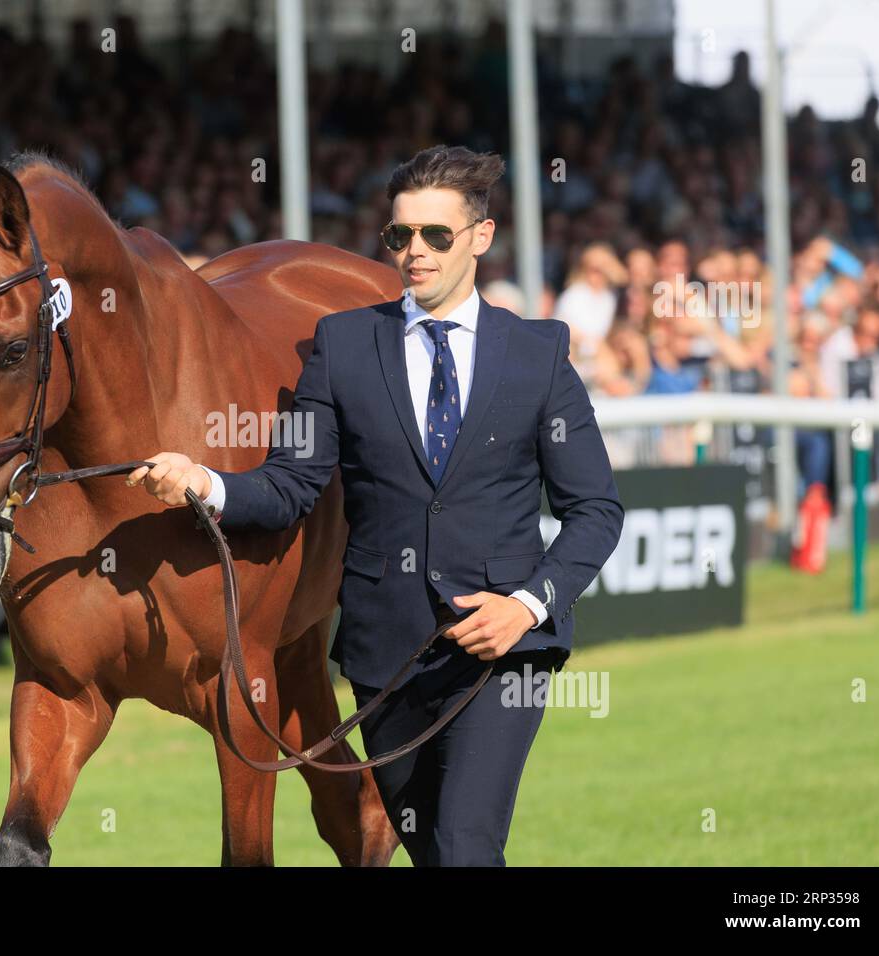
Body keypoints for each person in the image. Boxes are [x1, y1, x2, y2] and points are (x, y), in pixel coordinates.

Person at [128, 145, 624, 867]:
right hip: (384, 655)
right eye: (400, 236)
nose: (414, 253)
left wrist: (526, 605)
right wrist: (206, 483)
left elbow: (597, 511)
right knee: (428, 850)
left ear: (481, 238)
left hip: (503, 653)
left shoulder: (538, 353)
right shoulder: (342, 345)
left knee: (463, 849)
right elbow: (291, 487)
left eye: (436, 236)